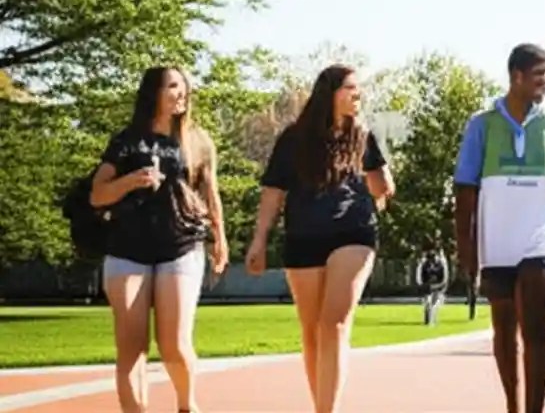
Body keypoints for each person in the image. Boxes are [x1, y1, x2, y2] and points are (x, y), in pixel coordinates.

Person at [246, 65, 395, 413]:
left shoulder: (362, 133)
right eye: (350, 88)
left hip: (353, 233)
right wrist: (258, 240)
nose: (358, 94)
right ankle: (322, 407)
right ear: (330, 92)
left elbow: (380, 186)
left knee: (334, 324)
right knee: (312, 332)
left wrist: (383, 184)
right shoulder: (293, 139)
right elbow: (273, 193)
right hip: (303, 235)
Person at [90, 67, 227, 413]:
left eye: (183, 86)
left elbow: (211, 195)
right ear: (154, 92)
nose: (180, 93)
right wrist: (130, 181)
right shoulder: (126, 141)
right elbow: (97, 195)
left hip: (180, 246)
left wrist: (220, 238)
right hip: (127, 251)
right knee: (132, 347)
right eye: (172, 86)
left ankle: (186, 404)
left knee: (174, 345)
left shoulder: (197, 141)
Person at [453, 43, 545, 413]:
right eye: (540, 74)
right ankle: (512, 404)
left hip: (540, 234)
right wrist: (465, 245)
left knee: (535, 323)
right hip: (497, 235)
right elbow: (464, 187)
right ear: (516, 76)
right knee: (504, 325)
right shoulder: (482, 124)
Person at [416, 240, 450, 325]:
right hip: (427, 285)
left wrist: (440, 286)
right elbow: (419, 276)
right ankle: (428, 316)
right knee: (427, 302)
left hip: (438, 285)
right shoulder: (424, 263)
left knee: (435, 302)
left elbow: (445, 277)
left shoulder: (441, 263)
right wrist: (422, 285)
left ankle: (432, 316)